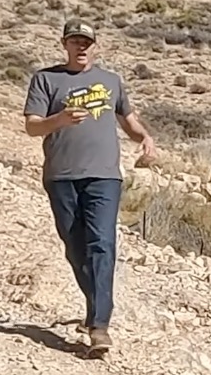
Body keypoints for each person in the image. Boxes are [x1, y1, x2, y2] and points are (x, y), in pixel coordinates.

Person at [23, 20, 155, 357]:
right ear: (64, 44)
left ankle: (99, 326)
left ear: (95, 46)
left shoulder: (111, 81)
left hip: (104, 176)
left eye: (87, 42)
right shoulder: (46, 79)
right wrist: (61, 120)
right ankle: (94, 304)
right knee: (75, 247)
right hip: (60, 176)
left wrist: (145, 138)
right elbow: (32, 127)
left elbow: (128, 120)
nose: (81, 47)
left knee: (102, 243)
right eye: (75, 41)